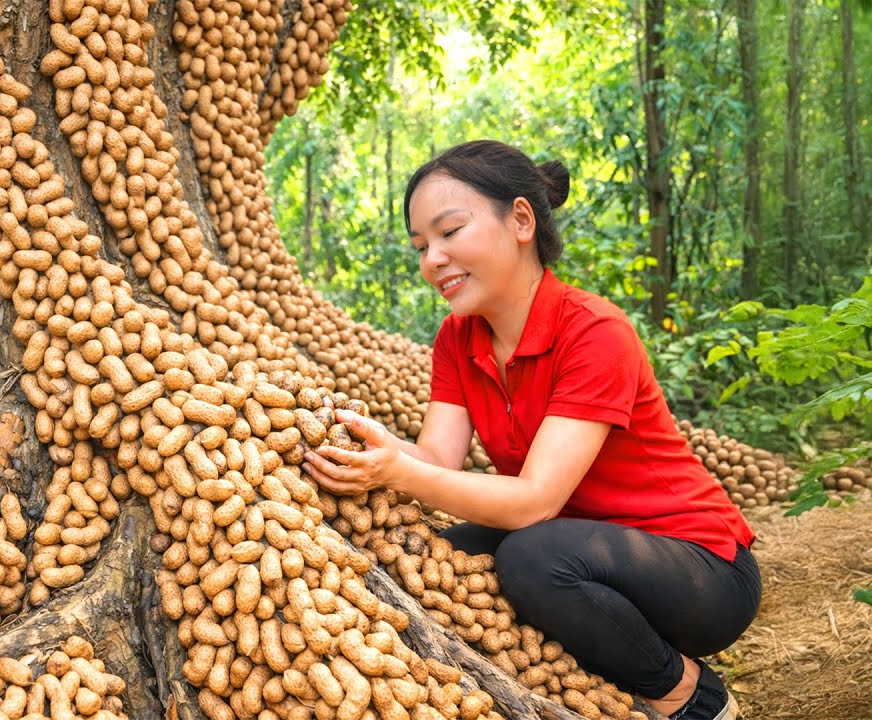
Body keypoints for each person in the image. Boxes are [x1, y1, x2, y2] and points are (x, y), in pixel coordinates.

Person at [301, 140, 760, 720]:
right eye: (421, 247)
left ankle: (687, 694)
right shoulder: (457, 339)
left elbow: (534, 503)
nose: (432, 260)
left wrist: (398, 470)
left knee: (529, 557)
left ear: (521, 220)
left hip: (699, 569)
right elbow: (436, 460)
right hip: (580, 543)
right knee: (431, 553)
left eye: (450, 232)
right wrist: (359, 436)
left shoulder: (595, 332)